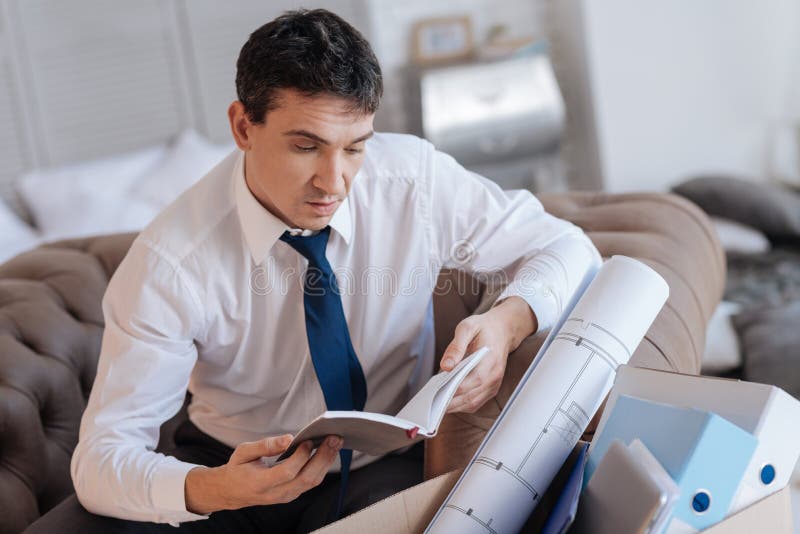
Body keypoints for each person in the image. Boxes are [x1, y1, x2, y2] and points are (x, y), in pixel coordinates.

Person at [25, 8, 600, 534]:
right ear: (243, 127)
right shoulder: (170, 262)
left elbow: (567, 247)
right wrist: (216, 489)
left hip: (383, 460)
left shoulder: (414, 182)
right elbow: (102, 458)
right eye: (306, 147)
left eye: (354, 148)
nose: (334, 182)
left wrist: (507, 323)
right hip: (231, 466)